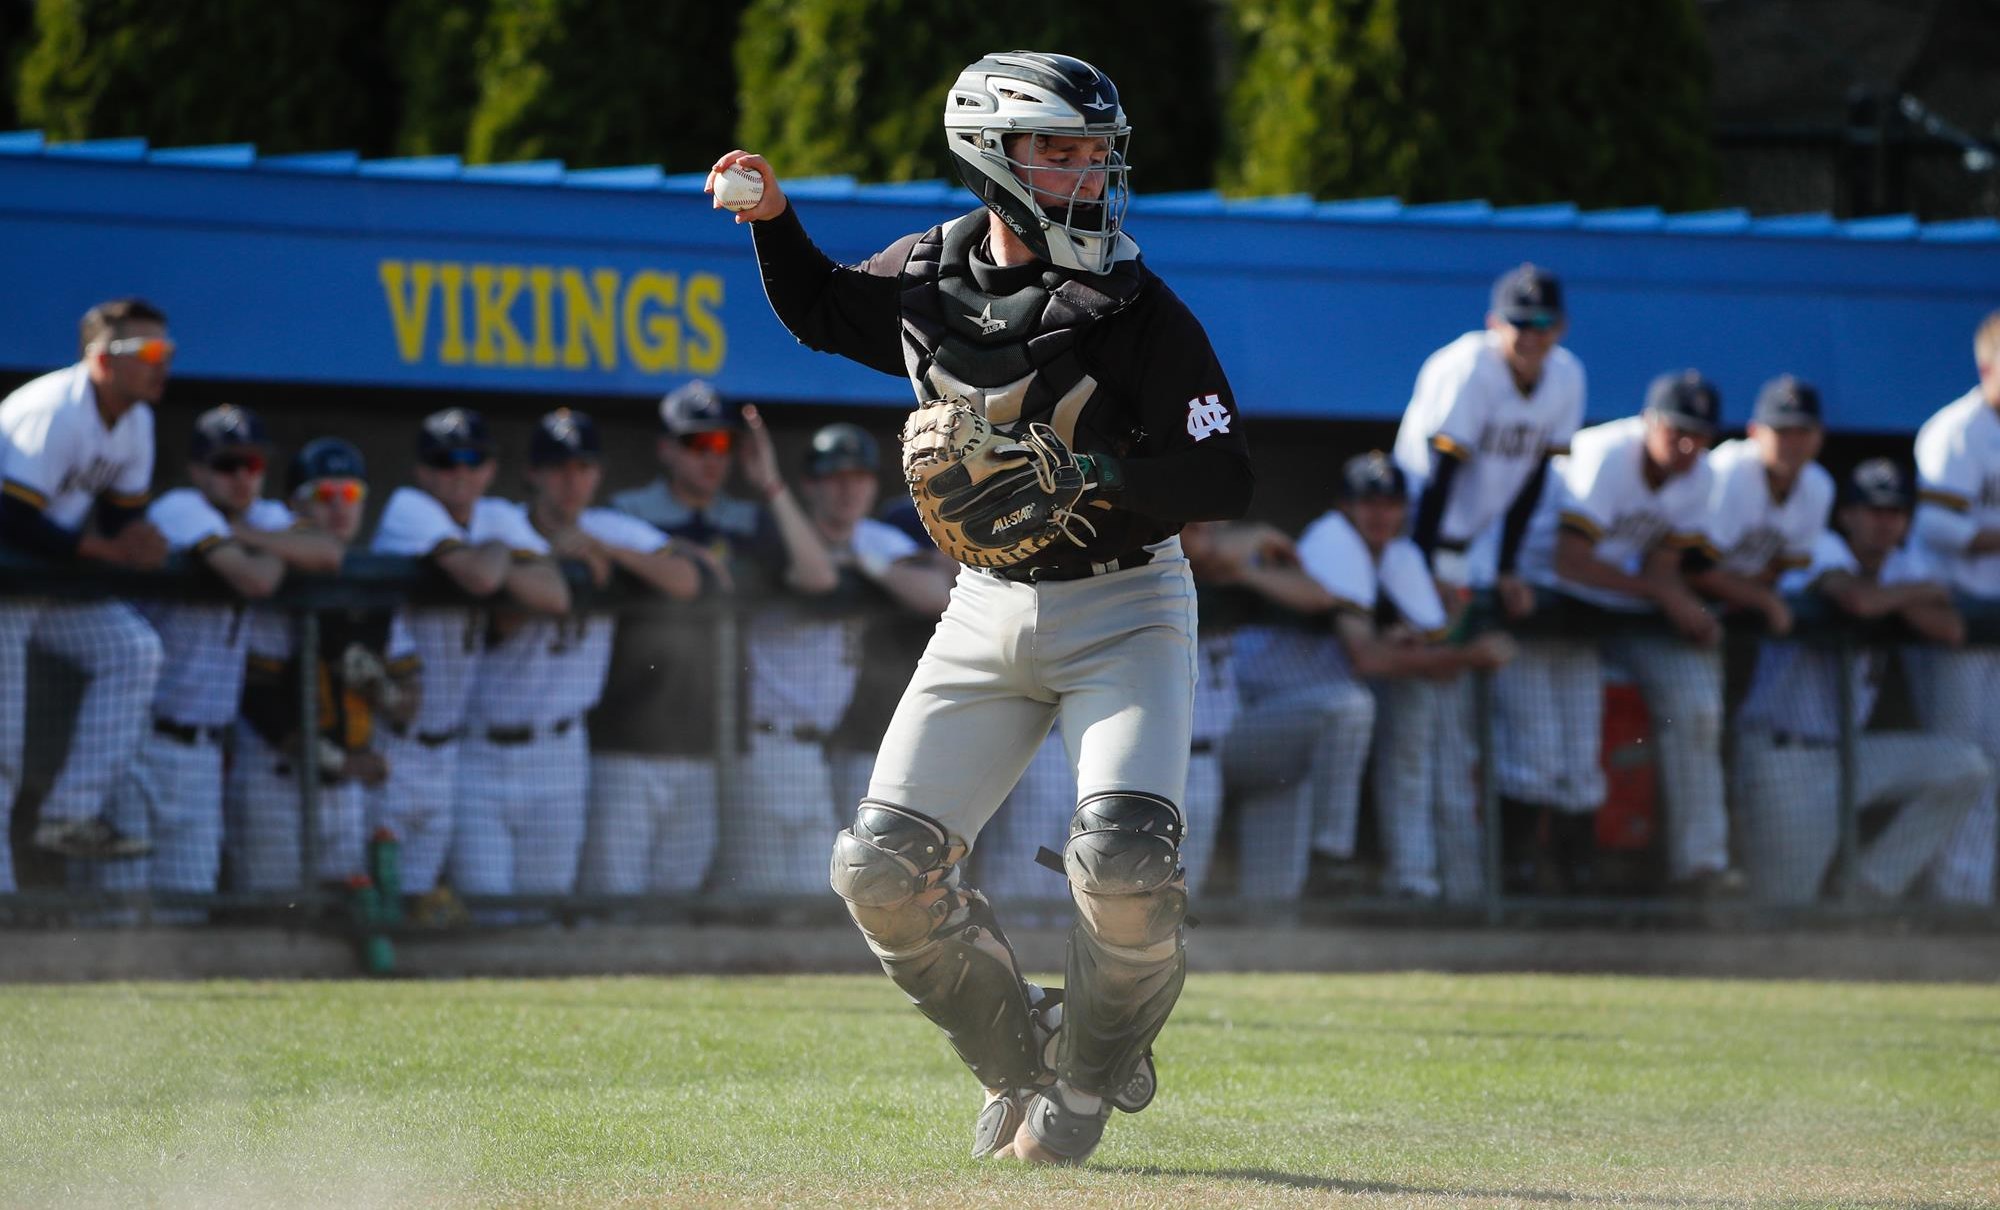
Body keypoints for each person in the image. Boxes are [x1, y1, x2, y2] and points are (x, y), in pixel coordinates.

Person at [711, 49, 1253, 1164]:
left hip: (1126, 607)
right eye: (1056, 152)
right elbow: (819, 309)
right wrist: (772, 217)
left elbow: (1223, 476)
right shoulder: (926, 275)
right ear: (989, 158)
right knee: (876, 869)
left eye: (1093, 152)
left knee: (1126, 860)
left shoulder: (1139, 307)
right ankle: (1021, 1053)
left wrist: (1085, 478)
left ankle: (1092, 1081)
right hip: (985, 608)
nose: (1085, 173)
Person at [1226, 454, 1515, 902]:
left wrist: (1451, 629)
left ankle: (1415, 883)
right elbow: (1367, 659)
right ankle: (1334, 858)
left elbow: (1427, 645)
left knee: (1273, 903)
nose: (1381, 514)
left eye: (1391, 504)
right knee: (1353, 704)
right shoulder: (1334, 540)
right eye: (1369, 503)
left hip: (1299, 729)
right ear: (1346, 506)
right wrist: (1467, 655)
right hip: (1244, 715)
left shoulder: (1394, 555)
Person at [85, 407, 340, 912]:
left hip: (203, 754)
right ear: (198, 469)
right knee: (118, 907)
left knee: (189, 907)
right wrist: (271, 548)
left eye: (253, 464)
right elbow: (257, 580)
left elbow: (328, 551)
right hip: (136, 737)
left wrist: (246, 537)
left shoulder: (255, 516)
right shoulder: (180, 507)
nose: (243, 476)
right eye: (228, 465)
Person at [1507, 372, 1748, 896]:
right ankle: (1512, 884)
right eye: (1677, 430)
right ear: (1649, 422)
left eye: (1700, 434)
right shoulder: (1605, 455)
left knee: (1578, 755)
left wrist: (1677, 598)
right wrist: (1665, 595)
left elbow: (1662, 566)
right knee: (1535, 753)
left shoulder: (1699, 477)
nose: (1688, 445)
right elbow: (1570, 563)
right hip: (1535, 597)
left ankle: (1577, 884)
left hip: (1593, 612)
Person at [594, 380, 837, 894]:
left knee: (680, 897)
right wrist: (685, 555)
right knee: (612, 901)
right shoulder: (625, 513)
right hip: (625, 737)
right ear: (666, 448)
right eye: (696, 444)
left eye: (722, 444)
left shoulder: (746, 520)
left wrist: (769, 481)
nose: (711, 457)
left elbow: (818, 578)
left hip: (708, 744)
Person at [1736, 458, 1992, 904]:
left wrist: (1892, 599)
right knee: (1785, 911)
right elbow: (1856, 601)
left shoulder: (1900, 566)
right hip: (1783, 759)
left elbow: (1950, 629)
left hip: (1850, 756)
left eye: (1894, 513)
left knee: (1967, 766)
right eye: (1872, 511)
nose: (1884, 524)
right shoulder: (1819, 547)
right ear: (1846, 515)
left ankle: (1870, 886)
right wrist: (1913, 595)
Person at [370, 408, 570, 901]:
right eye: (445, 461)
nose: (459, 472)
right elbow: (481, 578)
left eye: (471, 460)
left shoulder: (495, 515)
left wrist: (492, 552)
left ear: (490, 468)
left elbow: (555, 595)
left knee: (420, 898)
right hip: (390, 741)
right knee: (381, 894)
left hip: (448, 750)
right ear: (422, 470)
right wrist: (500, 554)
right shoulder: (408, 507)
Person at [0, 297, 169, 876]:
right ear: (102, 360)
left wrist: (142, 540)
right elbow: (11, 518)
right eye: (147, 352)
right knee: (1, 755)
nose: (161, 364)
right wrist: (106, 548)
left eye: (165, 351)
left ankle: (70, 813)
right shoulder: (55, 410)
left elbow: (121, 520)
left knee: (133, 648)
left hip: (36, 584)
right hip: (6, 584)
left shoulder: (137, 421)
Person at [502, 408, 701, 900]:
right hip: (485, 740)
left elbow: (688, 580)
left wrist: (604, 551)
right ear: (533, 473)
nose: (571, 481)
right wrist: (551, 560)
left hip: (564, 743)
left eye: (583, 468)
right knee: (489, 902)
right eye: (558, 467)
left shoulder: (607, 528)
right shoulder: (502, 524)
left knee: (549, 901)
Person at [230, 438, 415, 893]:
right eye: (324, 495)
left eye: (349, 495)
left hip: (346, 791)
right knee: (276, 914)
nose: (338, 508)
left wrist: (382, 690)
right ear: (295, 504)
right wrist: (335, 761)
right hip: (277, 778)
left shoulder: (374, 582)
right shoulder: (276, 570)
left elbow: (410, 700)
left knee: (343, 913)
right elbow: (257, 696)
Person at [793, 424, 953, 894]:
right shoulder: (788, 533)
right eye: (835, 477)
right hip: (792, 737)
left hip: (860, 736)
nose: (848, 488)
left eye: (859, 476)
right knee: (804, 878)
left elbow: (939, 590)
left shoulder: (878, 538)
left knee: (876, 869)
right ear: (811, 484)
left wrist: (867, 565)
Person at [1910, 308, 2000, 902]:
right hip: (1955, 618)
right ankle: (1951, 898)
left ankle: (1972, 894)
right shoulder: (1956, 430)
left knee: (1992, 764)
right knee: (1960, 763)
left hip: (1992, 621)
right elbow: (1941, 529)